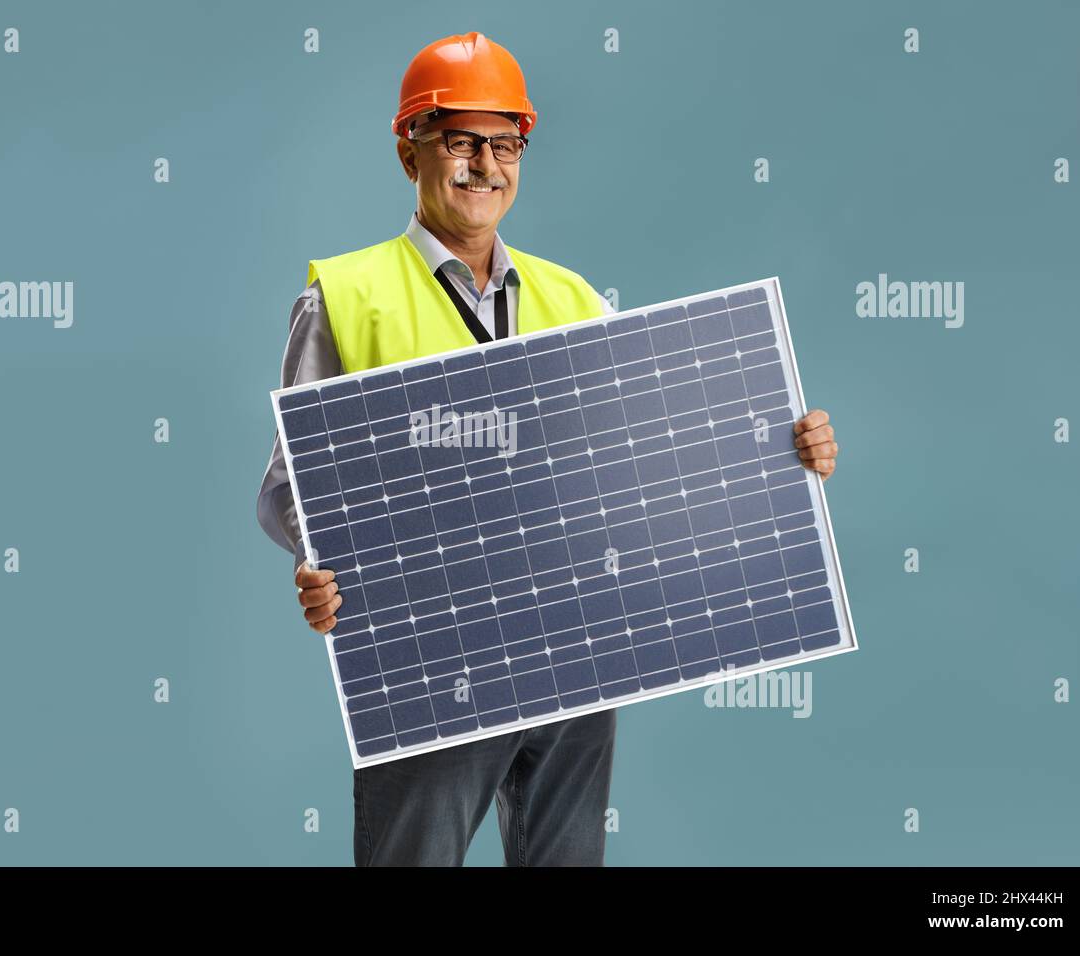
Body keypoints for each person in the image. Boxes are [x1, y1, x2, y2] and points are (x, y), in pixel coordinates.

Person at [256, 31, 840, 866]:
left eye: (505, 143)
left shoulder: (574, 299)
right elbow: (290, 484)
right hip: (428, 652)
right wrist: (326, 560)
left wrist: (781, 453)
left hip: (573, 650)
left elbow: (648, 456)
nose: (484, 164)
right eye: (459, 140)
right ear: (407, 148)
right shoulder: (348, 297)